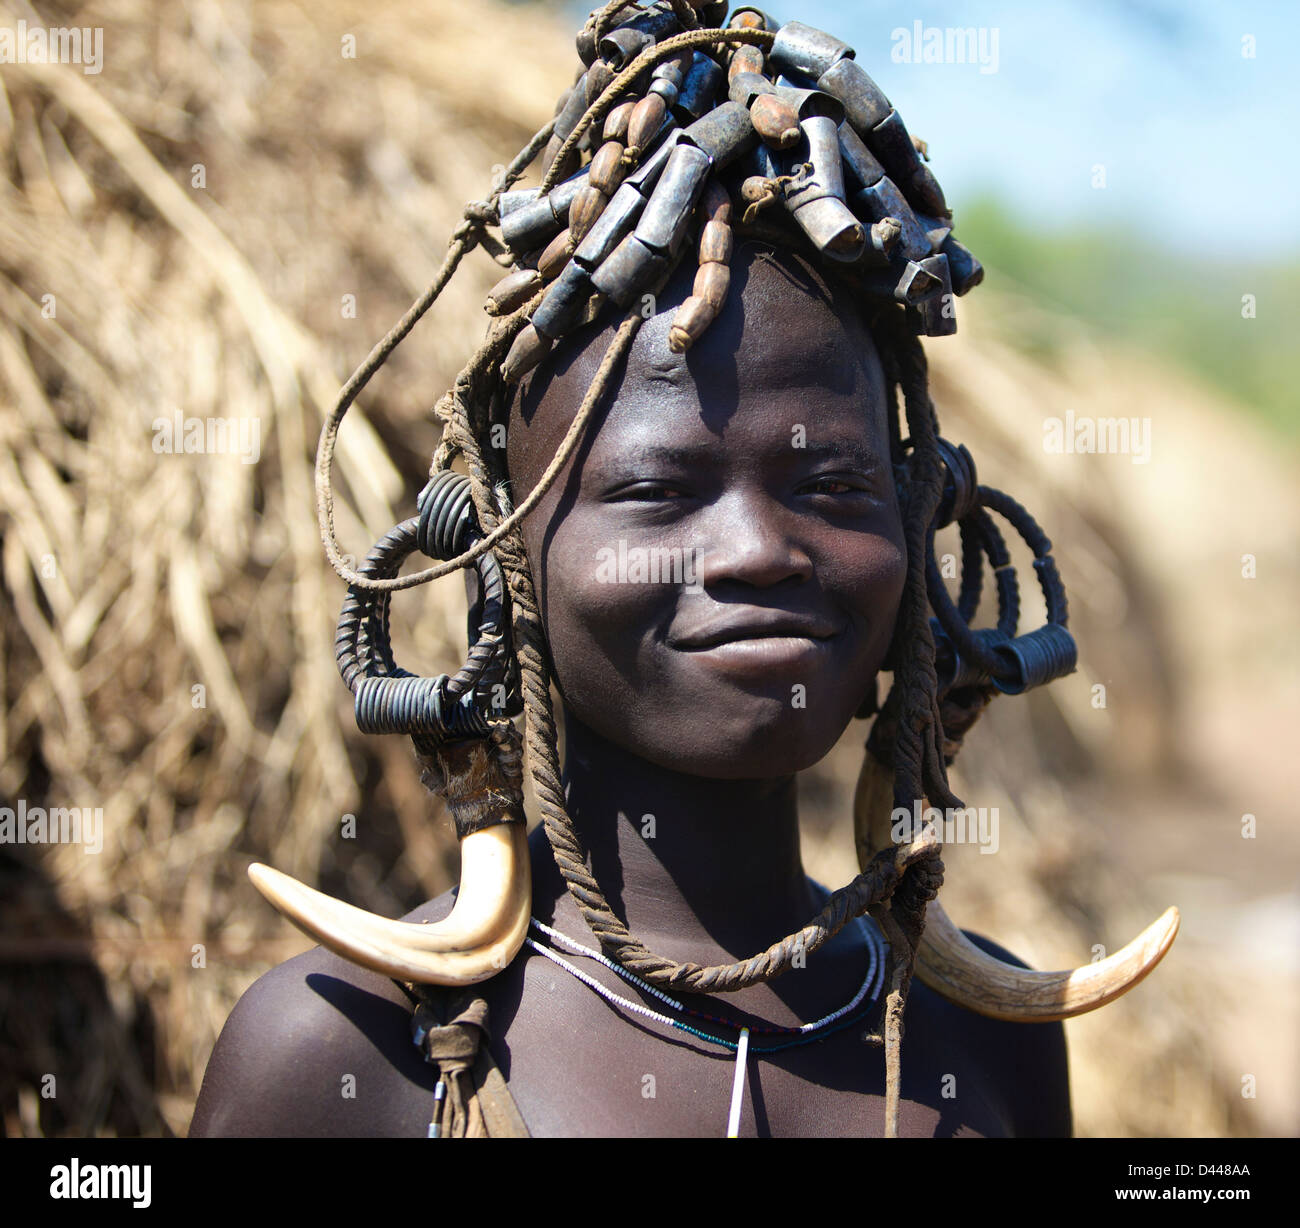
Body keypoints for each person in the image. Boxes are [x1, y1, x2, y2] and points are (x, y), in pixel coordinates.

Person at [191, 2, 1172, 1139]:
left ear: (920, 524)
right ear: (502, 549)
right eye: (657, 493)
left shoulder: (985, 1039)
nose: (759, 550)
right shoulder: (344, 1056)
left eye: (833, 488)